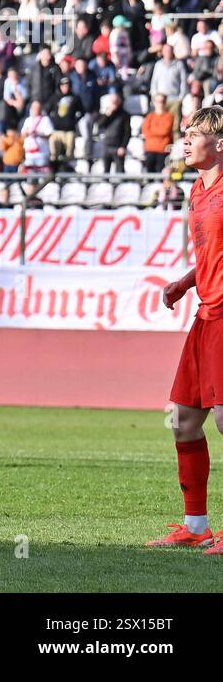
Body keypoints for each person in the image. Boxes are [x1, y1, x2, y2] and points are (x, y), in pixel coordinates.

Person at [148, 107, 223, 551]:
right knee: (183, 419)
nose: (187, 140)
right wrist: (184, 281)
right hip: (206, 315)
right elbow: (210, 255)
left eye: (196, 134)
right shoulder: (197, 190)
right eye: (187, 134)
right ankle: (196, 527)